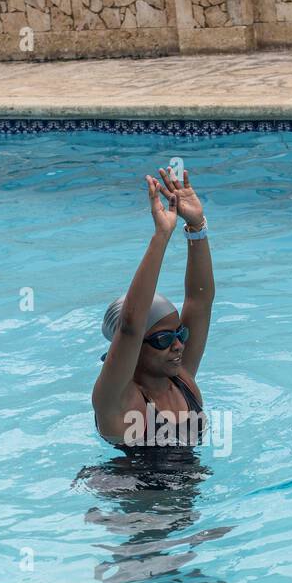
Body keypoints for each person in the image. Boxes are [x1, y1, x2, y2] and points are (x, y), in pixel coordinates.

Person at [92, 166, 213, 448]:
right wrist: (162, 235)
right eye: (163, 339)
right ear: (133, 348)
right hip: (127, 479)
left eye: (180, 334)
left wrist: (196, 228)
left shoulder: (182, 378)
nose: (179, 345)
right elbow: (131, 326)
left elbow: (200, 301)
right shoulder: (117, 402)